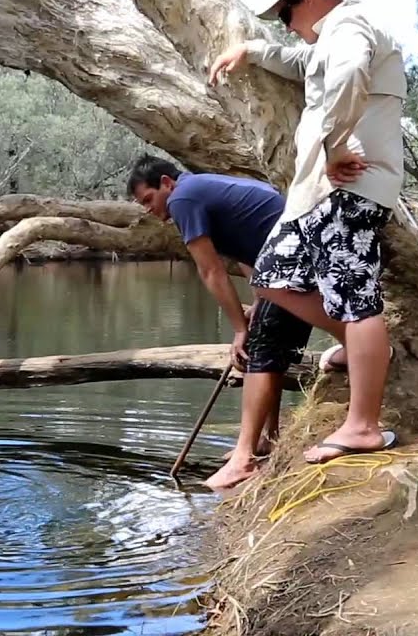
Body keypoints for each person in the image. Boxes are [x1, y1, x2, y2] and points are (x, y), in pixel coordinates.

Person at [206, 0, 407, 465]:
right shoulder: (330, 36)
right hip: (319, 194)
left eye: (284, 14)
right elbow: (302, 65)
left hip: (351, 184)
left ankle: (362, 425)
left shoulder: (350, 24)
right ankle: (362, 350)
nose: (287, 26)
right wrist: (250, 51)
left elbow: (349, 73)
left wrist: (336, 145)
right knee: (271, 277)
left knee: (356, 297)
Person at [128, 154, 312, 489]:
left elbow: (211, 271)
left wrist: (240, 330)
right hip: (295, 254)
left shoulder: (184, 198)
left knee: (261, 353)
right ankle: (266, 439)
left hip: (295, 257)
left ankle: (244, 460)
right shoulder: (202, 190)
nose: (149, 210)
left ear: (166, 183)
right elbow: (247, 249)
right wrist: (259, 299)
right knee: (269, 347)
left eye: (149, 200)